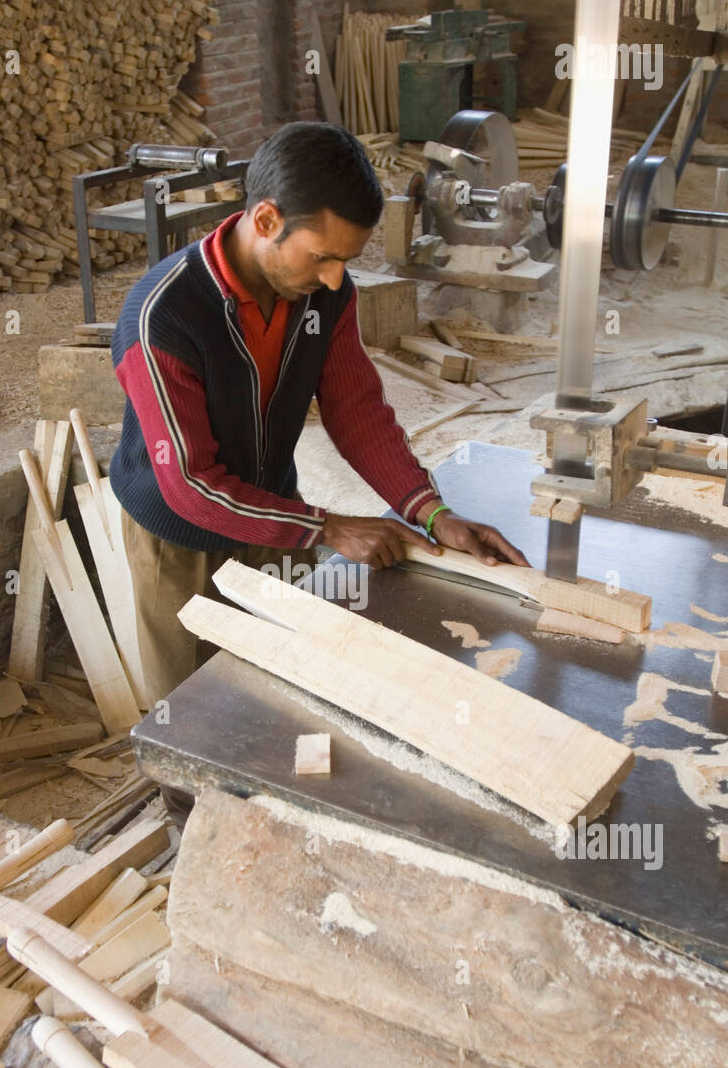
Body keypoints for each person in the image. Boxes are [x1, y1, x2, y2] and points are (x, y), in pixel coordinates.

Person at [109, 121, 527, 704]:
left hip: (277, 513)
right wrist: (326, 528)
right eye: (324, 257)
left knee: (287, 688)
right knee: (191, 710)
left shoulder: (325, 295)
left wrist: (433, 513)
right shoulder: (163, 315)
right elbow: (190, 484)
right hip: (179, 540)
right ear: (265, 221)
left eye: (347, 259)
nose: (336, 277)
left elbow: (356, 409)